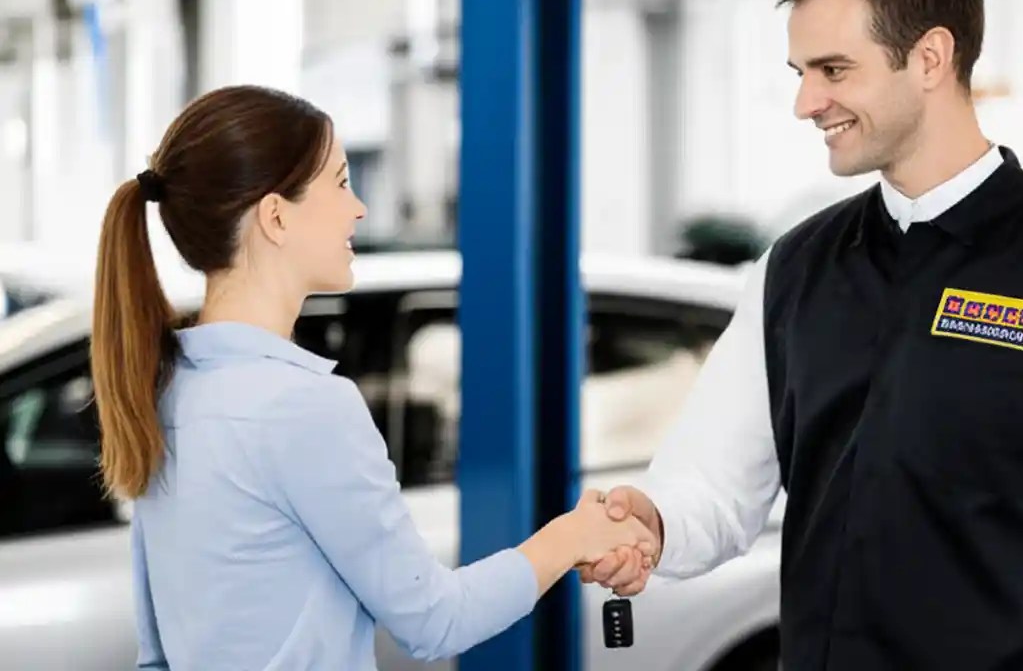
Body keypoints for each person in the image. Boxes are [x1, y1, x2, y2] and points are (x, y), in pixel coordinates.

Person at [579, 0, 1023, 669]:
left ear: (931, 58)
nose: (806, 103)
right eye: (802, 74)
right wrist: (654, 523)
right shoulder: (793, 269)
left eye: (834, 70)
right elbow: (716, 486)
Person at [90, 84, 656, 670]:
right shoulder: (304, 407)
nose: (358, 208)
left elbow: (156, 658)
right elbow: (437, 621)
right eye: (339, 181)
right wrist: (573, 536)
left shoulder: (167, 390)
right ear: (276, 217)